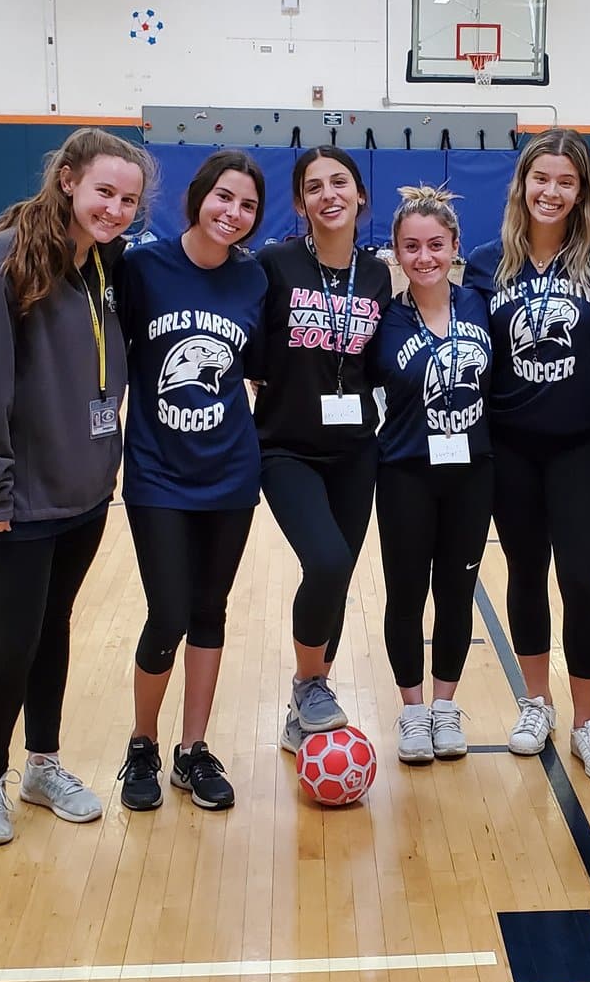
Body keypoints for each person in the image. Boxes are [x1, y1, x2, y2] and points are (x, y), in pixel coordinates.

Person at [0, 126, 152, 846]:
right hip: (17, 503)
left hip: (84, 494)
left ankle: (42, 764)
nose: (116, 209)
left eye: (128, 199)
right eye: (104, 193)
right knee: (12, 638)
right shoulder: (3, 266)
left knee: (51, 630)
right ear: (68, 180)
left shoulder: (97, 265)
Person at [463, 128, 590, 783]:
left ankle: (589, 722)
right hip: (511, 447)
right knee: (526, 574)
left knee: (583, 581)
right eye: (542, 179)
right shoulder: (485, 263)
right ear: (523, 184)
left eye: (566, 181)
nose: (552, 192)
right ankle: (537, 704)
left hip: (583, 449)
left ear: (581, 190)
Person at [114, 150, 267, 812]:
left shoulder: (253, 281)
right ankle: (142, 743)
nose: (232, 213)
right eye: (223, 197)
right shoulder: (143, 269)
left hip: (230, 471)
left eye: (248, 205)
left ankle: (191, 750)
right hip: (157, 473)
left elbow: (255, 370)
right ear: (199, 196)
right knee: (167, 614)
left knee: (210, 612)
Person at [252, 146, 393, 752]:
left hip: (357, 448)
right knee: (327, 562)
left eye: (340, 182)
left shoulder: (380, 274)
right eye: (315, 186)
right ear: (300, 202)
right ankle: (310, 683)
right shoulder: (275, 265)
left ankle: (308, 700)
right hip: (286, 448)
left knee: (336, 578)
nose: (329, 194)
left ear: (361, 195)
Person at [369, 186, 494, 764]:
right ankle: (413, 710)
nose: (424, 257)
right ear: (394, 251)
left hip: (471, 473)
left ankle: (446, 705)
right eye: (411, 246)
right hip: (403, 473)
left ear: (455, 247)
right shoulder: (383, 319)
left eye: (436, 245)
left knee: (456, 591)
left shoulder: (481, 305)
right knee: (406, 592)